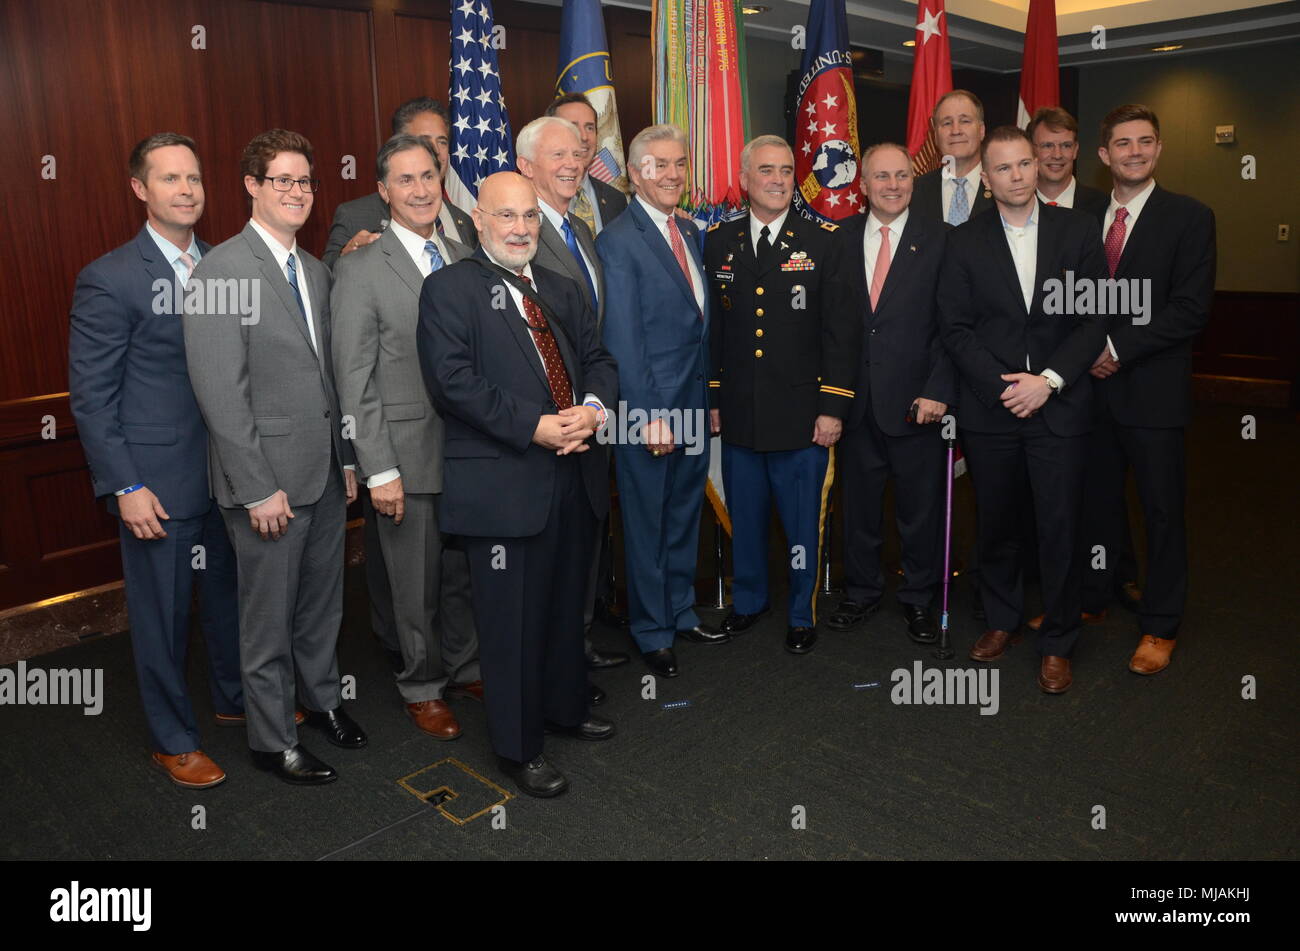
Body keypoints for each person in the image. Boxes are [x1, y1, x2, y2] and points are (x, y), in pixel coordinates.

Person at [417, 172, 619, 798]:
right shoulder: (448, 290)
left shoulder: (560, 288)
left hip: (574, 474)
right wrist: (533, 427)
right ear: (479, 220)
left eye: (529, 217)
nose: (520, 228)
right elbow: (452, 383)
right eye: (506, 217)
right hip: (504, 487)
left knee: (563, 609)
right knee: (510, 625)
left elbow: (601, 361)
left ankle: (564, 709)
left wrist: (593, 408)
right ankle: (518, 747)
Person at [183, 129, 364, 784]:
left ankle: (321, 702)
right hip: (266, 486)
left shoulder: (314, 270)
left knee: (322, 605)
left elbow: (329, 380)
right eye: (282, 179)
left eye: (305, 181)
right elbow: (219, 394)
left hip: (321, 473)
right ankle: (269, 736)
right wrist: (257, 487)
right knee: (267, 618)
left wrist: (345, 459)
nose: (297, 192)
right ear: (252, 186)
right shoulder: (219, 271)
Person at [68, 133, 243, 789]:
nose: (187, 190)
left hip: (229, 479)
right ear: (140, 189)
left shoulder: (227, 266)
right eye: (170, 179)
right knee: (163, 619)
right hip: (158, 487)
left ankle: (234, 699)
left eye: (194, 177)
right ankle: (173, 739)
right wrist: (125, 484)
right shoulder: (110, 277)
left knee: (228, 601)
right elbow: (91, 396)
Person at [938, 125, 1108, 694]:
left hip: (1060, 407)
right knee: (998, 523)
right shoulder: (963, 241)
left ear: (1039, 167)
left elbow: (1094, 318)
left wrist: (1049, 381)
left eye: (1025, 164)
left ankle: (1058, 640)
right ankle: (1002, 619)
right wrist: (1005, 387)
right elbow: (956, 329)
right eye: (1003, 168)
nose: (1017, 176)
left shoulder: (1081, 231)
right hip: (993, 411)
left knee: (1060, 527)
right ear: (986, 179)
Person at [330, 134, 481, 741]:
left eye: (429, 176)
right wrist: (379, 468)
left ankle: (466, 664)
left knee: (463, 571)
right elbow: (353, 375)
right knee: (412, 583)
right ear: (383, 192)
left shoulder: (465, 252)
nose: (421, 190)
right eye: (406, 180)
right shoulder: (363, 265)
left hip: (472, 449)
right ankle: (422, 686)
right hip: (404, 455)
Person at [703, 135, 858, 654]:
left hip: (801, 416)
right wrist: (716, 398)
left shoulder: (825, 241)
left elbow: (842, 332)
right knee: (745, 520)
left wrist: (833, 405)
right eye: (765, 170)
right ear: (744, 179)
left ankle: (800, 611)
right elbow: (717, 332)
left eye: (786, 171)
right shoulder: (720, 241)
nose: (777, 179)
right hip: (742, 414)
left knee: (799, 525)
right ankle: (748, 602)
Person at [1081, 104, 1216, 676]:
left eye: (1145, 142)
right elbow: (1067, 296)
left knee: (1161, 510)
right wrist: (1084, 352)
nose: (1134, 151)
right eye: (1122, 143)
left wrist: (1117, 349)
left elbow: (1190, 310)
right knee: (1097, 504)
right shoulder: (1083, 218)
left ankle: (1160, 624)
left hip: (1153, 392)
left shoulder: (1189, 217)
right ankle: (1098, 595)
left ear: (1157, 150)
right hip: (1087, 390)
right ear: (1104, 154)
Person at [598, 124, 729, 678]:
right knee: (647, 522)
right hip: (645, 413)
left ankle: (679, 611)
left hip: (693, 405)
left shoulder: (691, 232)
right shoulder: (619, 240)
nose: (672, 174)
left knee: (682, 515)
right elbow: (623, 339)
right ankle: (651, 629)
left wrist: (710, 398)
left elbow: (700, 327)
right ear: (635, 173)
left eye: (679, 164)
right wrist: (648, 417)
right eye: (659, 165)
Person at [827, 142, 955, 644]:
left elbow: (954, 324)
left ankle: (920, 598)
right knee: (857, 509)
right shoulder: (838, 238)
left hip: (918, 404)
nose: (893, 185)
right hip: (856, 404)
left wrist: (938, 390)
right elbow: (832, 328)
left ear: (913, 181)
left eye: (901, 176)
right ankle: (860, 592)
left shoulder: (943, 240)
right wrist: (832, 402)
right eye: (881, 177)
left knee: (920, 511)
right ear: (862, 184)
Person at [516, 115, 629, 683]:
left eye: (578, 153)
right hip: (546, 427)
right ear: (525, 167)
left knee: (586, 536)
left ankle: (577, 642)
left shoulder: (581, 230)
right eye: (557, 155)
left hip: (591, 413)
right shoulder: (520, 237)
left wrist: (597, 405)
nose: (572, 163)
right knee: (549, 557)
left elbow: (596, 334)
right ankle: (554, 661)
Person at [322, 96, 477, 269]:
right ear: (399, 143)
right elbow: (326, 281)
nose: (436, 151)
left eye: (442, 141)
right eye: (424, 141)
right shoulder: (355, 216)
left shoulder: (463, 220)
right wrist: (347, 257)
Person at [546, 92, 628, 235]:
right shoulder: (534, 198)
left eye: (590, 127)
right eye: (572, 127)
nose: (583, 137)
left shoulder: (616, 199)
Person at [911, 90, 993, 226]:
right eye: (947, 123)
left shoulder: (1002, 187)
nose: (956, 131)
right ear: (935, 135)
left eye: (965, 121)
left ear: (981, 130)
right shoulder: (915, 191)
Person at [1027, 106, 1109, 217]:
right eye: (1047, 146)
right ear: (1031, 150)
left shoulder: (1104, 206)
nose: (1057, 155)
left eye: (1066, 146)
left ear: (1075, 150)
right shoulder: (1014, 206)